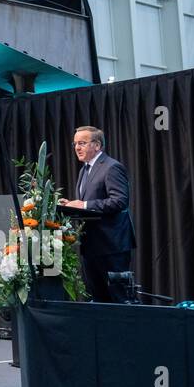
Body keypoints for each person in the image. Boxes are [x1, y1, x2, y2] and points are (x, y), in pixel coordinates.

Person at [58, 125, 136, 302]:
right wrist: (70, 205)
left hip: (111, 246)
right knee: (98, 299)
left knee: (118, 298)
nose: (77, 147)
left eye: (82, 143)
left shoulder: (111, 167)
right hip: (91, 246)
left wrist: (83, 204)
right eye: (75, 143)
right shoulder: (84, 169)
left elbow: (119, 201)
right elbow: (91, 204)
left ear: (97, 145)